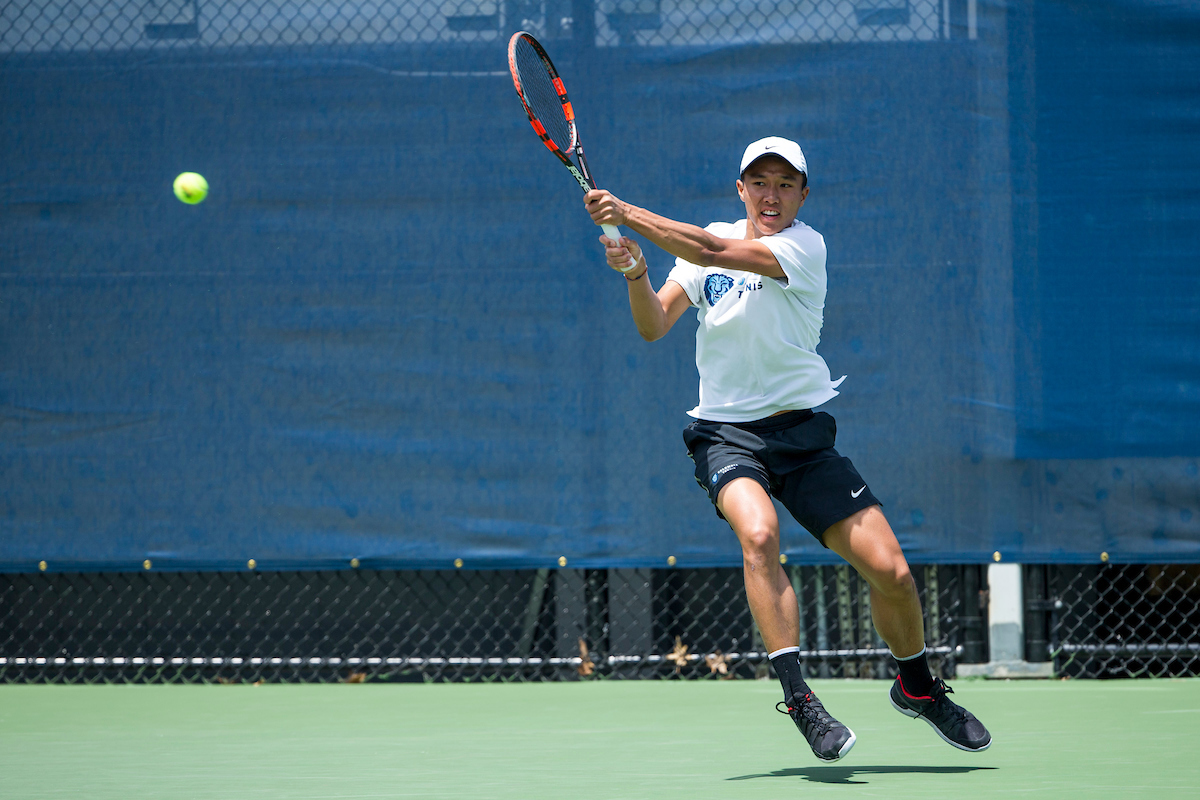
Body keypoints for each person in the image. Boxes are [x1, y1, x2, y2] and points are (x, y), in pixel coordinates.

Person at [583, 136, 991, 762]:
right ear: (740, 188)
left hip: (800, 435)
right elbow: (652, 324)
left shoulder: (802, 247)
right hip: (725, 433)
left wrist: (626, 213)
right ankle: (800, 697)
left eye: (785, 184)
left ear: (802, 194)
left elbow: (716, 249)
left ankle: (917, 687)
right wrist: (637, 271)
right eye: (759, 182)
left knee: (893, 572)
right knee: (758, 534)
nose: (771, 195)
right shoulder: (700, 249)